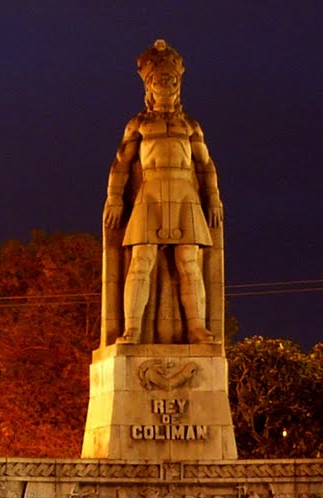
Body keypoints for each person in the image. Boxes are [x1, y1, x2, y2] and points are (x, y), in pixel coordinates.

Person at [102, 39, 224, 346]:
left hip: (185, 193)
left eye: (171, 79)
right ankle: (132, 330)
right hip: (150, 193)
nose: (165, 85)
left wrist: (213, 196)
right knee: (140, 261)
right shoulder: (138, 124)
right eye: (159, 80)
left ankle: (197, 328)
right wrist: (115, 198)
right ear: (149, 85)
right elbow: (120, 164)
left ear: (178, 83)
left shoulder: (190, 125)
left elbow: (205, 164)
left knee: (189, 263)